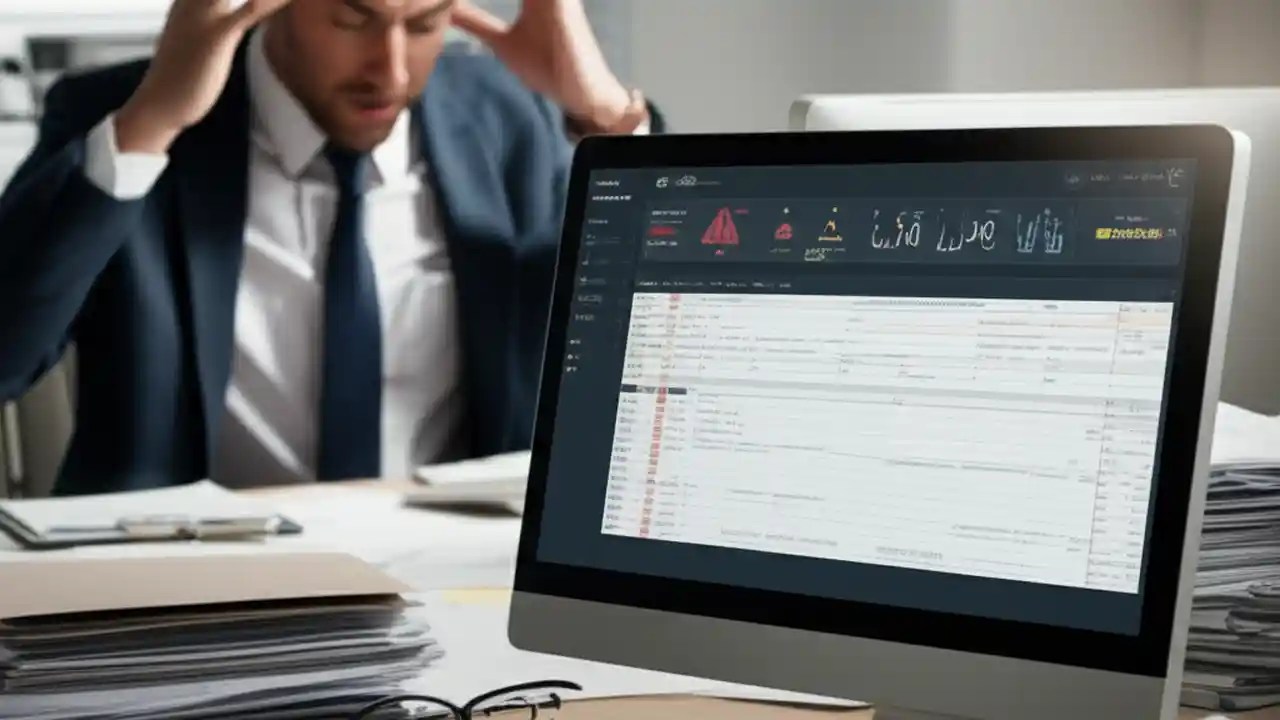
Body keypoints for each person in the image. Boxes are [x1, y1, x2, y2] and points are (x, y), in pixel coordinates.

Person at [0, 0, 660, 495]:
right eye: (352, 20)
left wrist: (607, 120)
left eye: (425, 24)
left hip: (450, 581)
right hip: (186, 586)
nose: (390, 71)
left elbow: (661, 339)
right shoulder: (129, 112)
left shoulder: (515, 117)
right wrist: (152, 123)